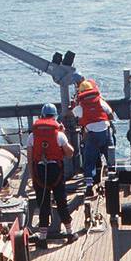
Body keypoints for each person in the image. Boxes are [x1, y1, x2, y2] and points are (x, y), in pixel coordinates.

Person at [28, 104, 75, 246]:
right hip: (56, 171)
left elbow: (30, 158)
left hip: (39, 172)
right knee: (61, 202)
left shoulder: (32, 136)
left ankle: (42, 238)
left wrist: (33, 176)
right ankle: (69, 233)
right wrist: (64, 135)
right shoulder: (59, 135)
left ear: (41, 116)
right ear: (54, 117)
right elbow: (70, 153)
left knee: (43, 204)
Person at [72, 80, 115, 196]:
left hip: (91, 135)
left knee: (89, 161)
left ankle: (89, 186)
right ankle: (114, 180)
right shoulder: (100, 101)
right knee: (110, 157)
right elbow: (110, 114)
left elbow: (72, 115)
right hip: (105, 133)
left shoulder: (80, 107)